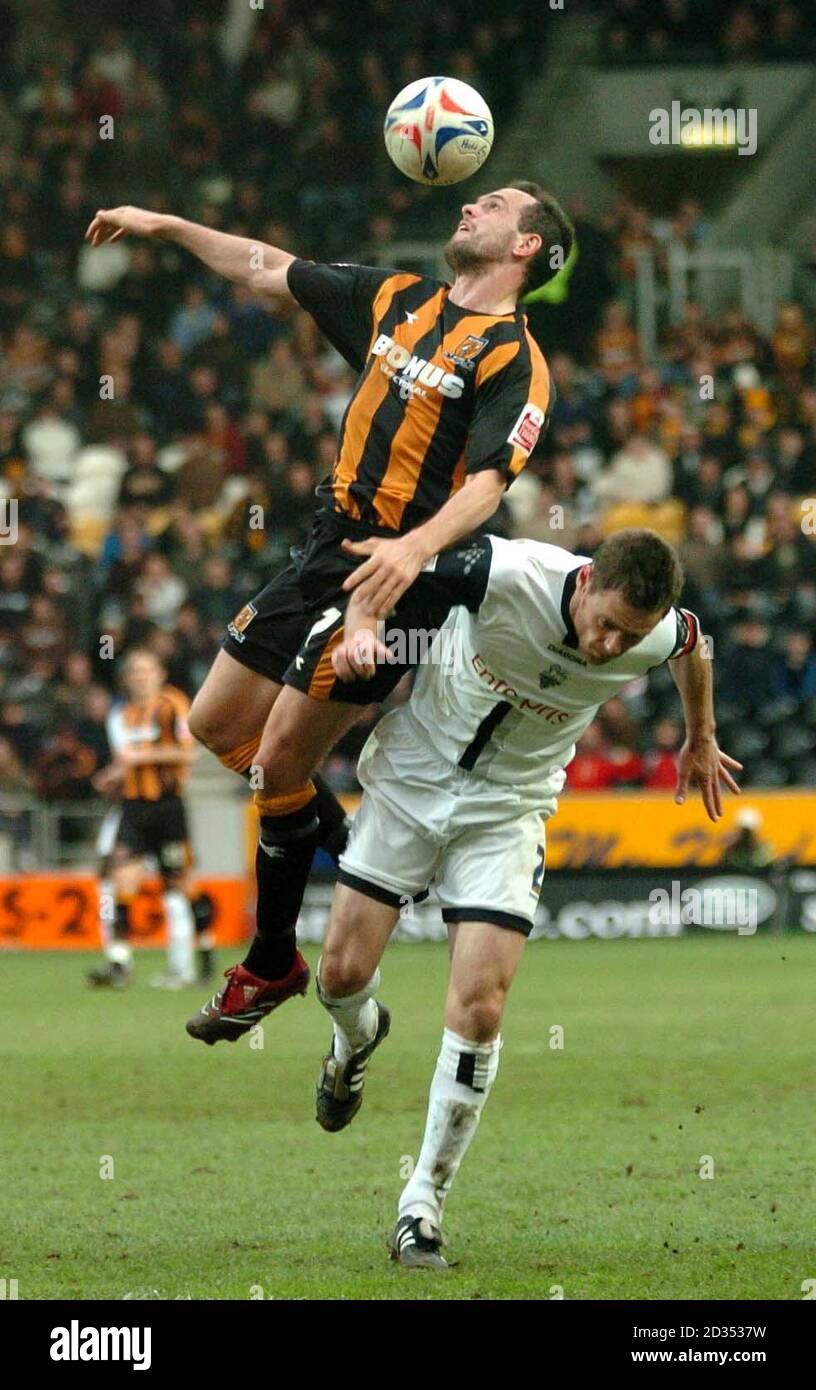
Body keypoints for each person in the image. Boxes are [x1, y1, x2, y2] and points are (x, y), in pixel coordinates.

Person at [85, 185, 573, 1041]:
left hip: (399, 580)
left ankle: (271, 960)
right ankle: (365, 859)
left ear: (527, 247)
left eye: (492, 205)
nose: (469, 207)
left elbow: (493, 483)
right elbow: (264, 267)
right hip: (327, 545)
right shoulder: (397, 300)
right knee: (216, 726)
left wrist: (413, 551)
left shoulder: (515, 359)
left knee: (276, 765)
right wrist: (166, 225)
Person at [311, 528, 741, 1267]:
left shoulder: (656, 632)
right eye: (605, 623)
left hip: (509, 810)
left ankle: (423, 1202)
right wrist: (364, 629)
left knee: (481, 1004)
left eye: (629, 636)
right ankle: (356, 1038)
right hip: (414, 778)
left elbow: (693, 644)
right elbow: (397, 565)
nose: (610, 646)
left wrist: (700, 734)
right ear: (583, 585)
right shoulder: (504, 571)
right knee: (341, 976)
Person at [86, 648, 207, 989]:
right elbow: (127, 760)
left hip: (168, 808)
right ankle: (120, 964)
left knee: (180, 886)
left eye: (146, 670)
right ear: (127, 678)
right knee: (120, 882)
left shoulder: (173, 705)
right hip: (134, 809)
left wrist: (139, 757)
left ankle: (203, 958)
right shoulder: (121, 714)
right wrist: (112, 774)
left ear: (160, 673)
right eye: (135, 671)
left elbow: (187, 752)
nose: (141, 676)